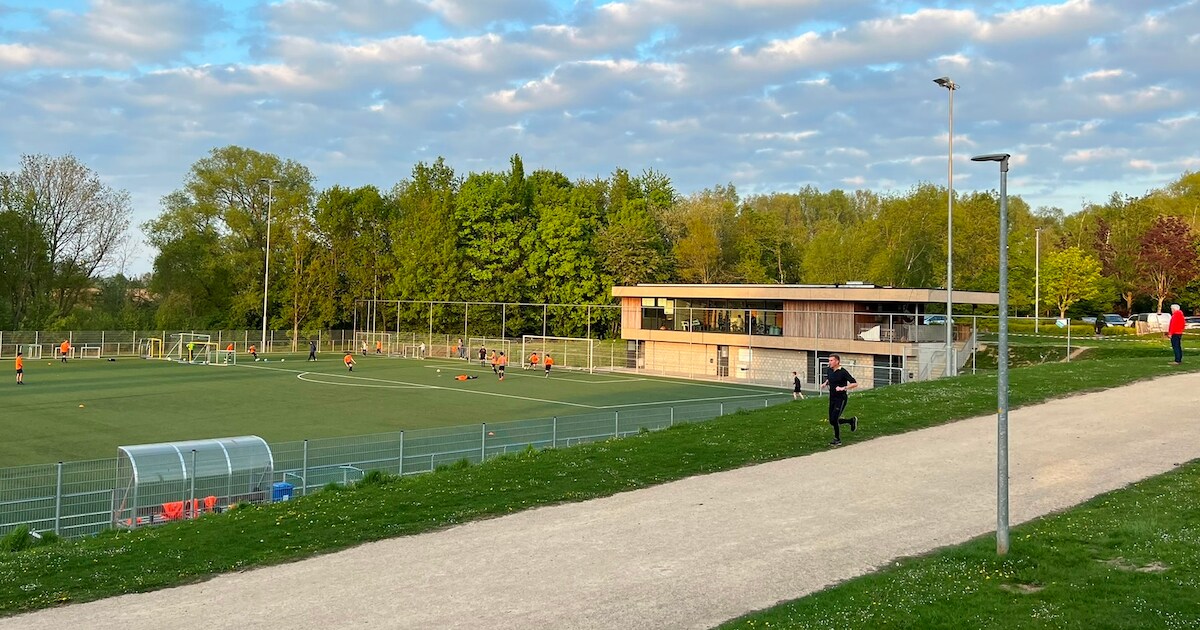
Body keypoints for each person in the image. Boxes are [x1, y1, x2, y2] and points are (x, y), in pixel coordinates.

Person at [819, 354, 858, 446]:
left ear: (837, 361)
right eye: (829, 360)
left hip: (841, 398)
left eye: (831, 360)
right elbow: (829, 379)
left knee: (835, 419)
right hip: (832, 398)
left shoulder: (843, 372)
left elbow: (854, 383)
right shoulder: (829, 370)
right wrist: (825, 383)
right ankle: (851, 421)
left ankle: (837, 439)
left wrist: (843, 388)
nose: (829, 362)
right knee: (832, 421)